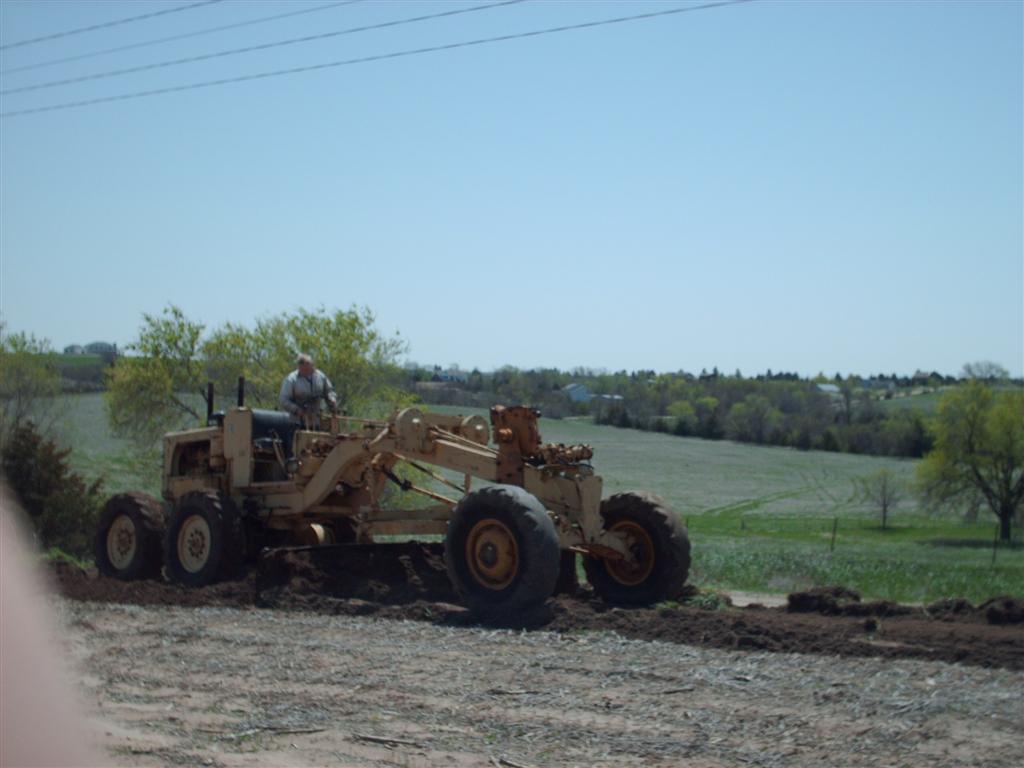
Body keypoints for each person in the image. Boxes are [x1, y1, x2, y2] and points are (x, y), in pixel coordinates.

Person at [279, 353, 338, 430]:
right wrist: (297, 410)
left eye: (310, 368)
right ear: (299, 367)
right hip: (297, 423)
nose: (309, 371)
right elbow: (283, 399)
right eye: (305, 369)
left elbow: (329, 391)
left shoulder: (320, 376)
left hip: (317, 422)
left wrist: (332, 398)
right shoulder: (291, 379)